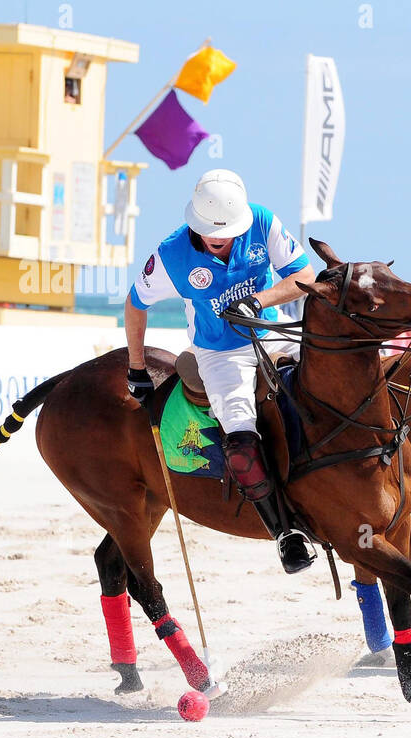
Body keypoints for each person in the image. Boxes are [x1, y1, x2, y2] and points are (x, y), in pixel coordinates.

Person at [124, 168, 317, 573]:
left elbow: (305, 276)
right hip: (219, 354)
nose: (221, 239)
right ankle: (285, 533)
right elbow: (135, 303)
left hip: (274, 330)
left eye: (229, 232)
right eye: (214, 233)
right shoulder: (171, 255)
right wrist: (136, 367)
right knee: (241, 439)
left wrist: (260, 301)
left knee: (330, 381)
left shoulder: (262, 221)